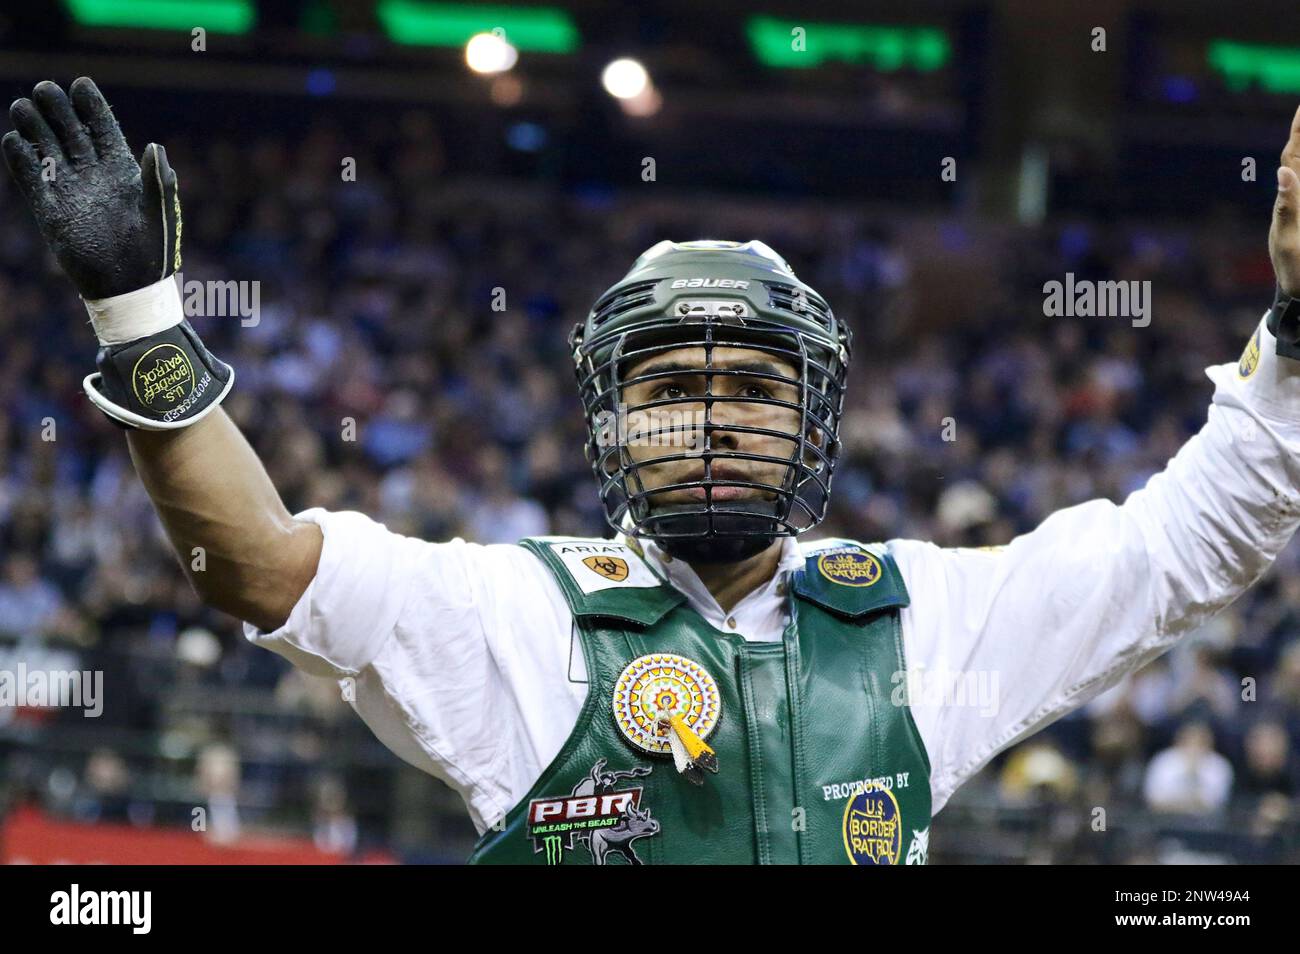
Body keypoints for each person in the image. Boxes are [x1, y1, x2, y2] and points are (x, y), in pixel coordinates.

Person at [7, 77, 1300, 865]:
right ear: (610, 424)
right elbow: (255, 562)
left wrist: (1292, 326)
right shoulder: (514, 608)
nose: (711, 417)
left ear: (817, 418)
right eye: (672, 389)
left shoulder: (920, 617)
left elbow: (1186, 549)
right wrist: (137, 315)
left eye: (749, 386)